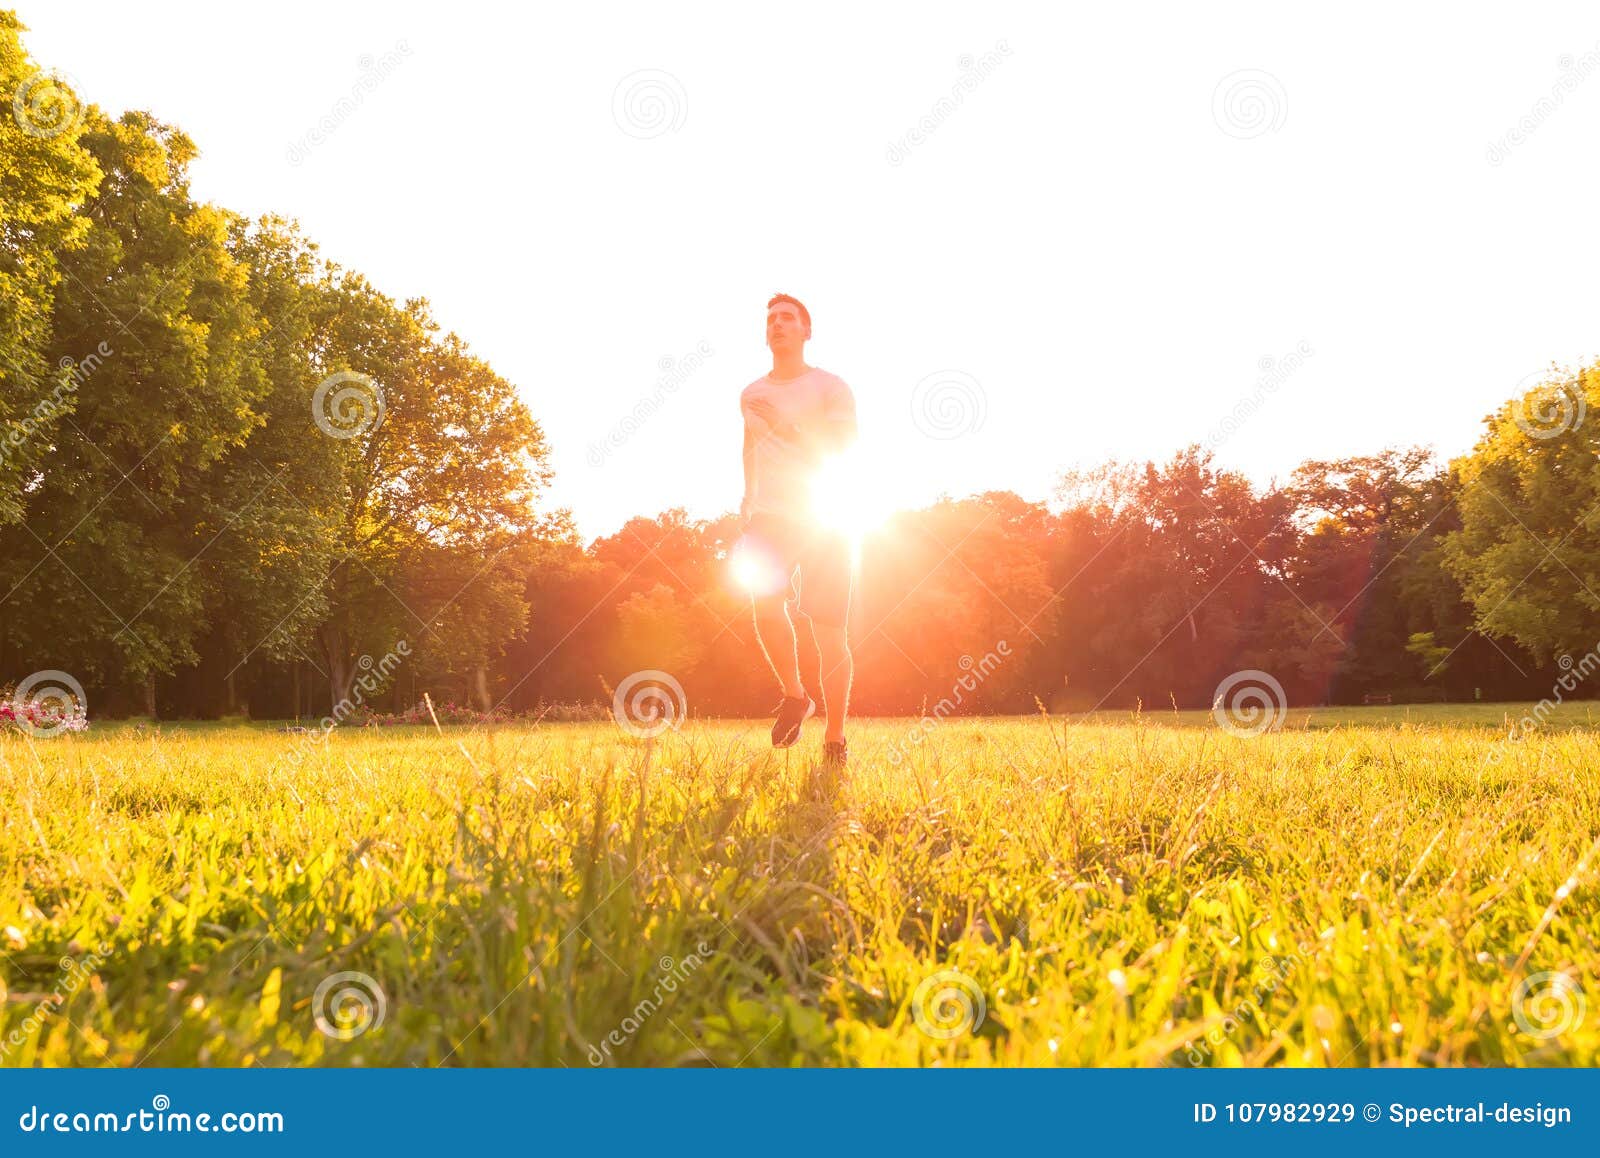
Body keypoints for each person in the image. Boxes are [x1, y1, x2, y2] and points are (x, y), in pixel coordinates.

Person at [737, 293, 857, 766]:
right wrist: (747, 496)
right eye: (771, 319)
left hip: (825, 516)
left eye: (788, 318)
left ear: (807, 332)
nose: (778, 324)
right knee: (764, 605)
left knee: (830, 634)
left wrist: (786, 429)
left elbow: (844, 449)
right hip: (769, 516)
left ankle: (835, 737)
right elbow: (748, 446)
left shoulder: (831, 386)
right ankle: (795, 695)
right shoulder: (751, 393)